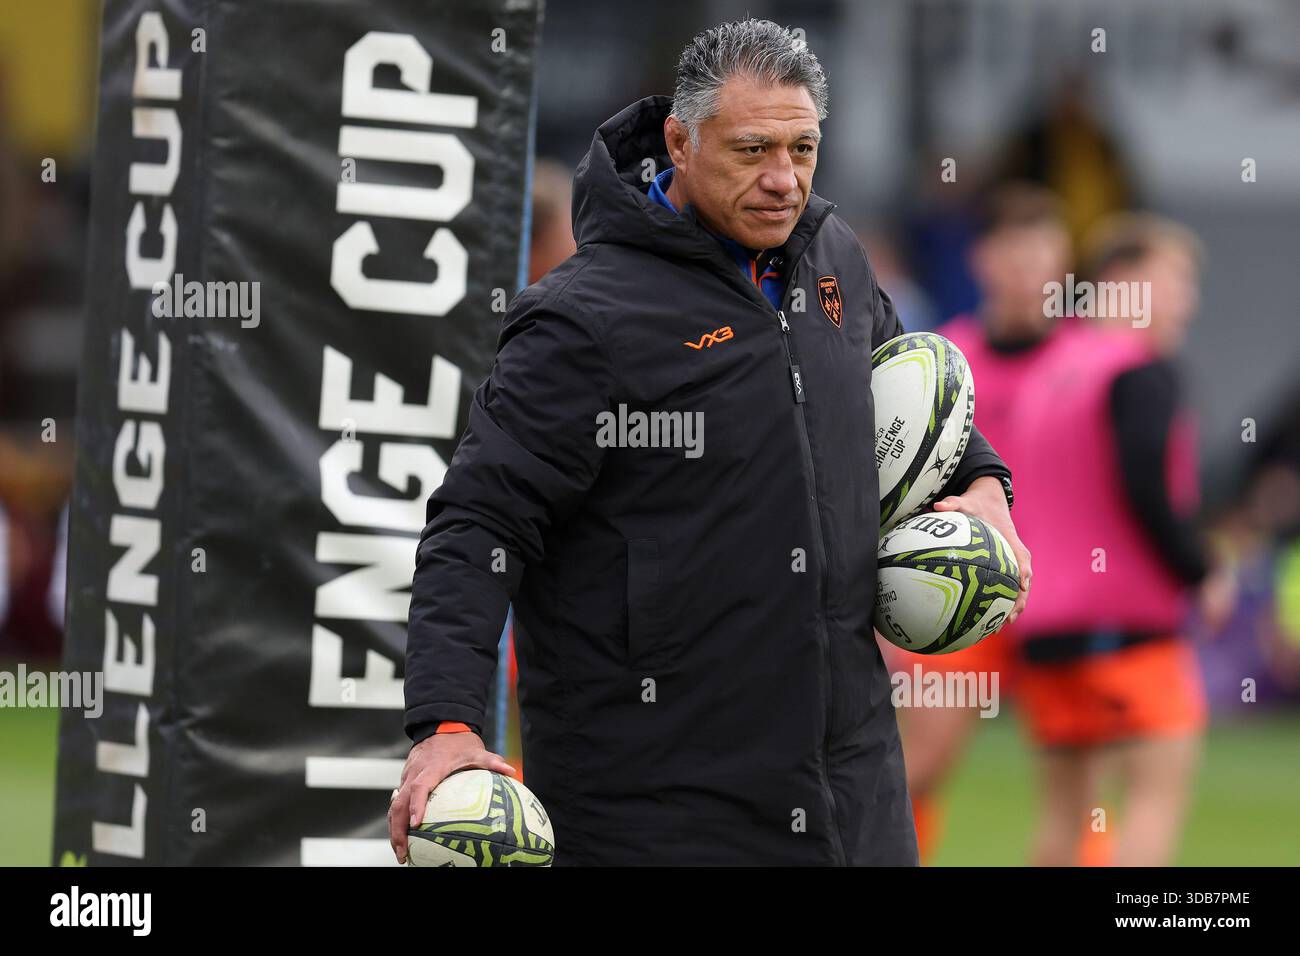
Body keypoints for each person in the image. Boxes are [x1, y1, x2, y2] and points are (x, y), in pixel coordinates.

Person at [390, 18, 1029, 866]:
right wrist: (446, 724)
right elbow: (477, 526)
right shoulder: (580, 320)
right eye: (753, 149)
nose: (783, 180)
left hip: (853, 799)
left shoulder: (835, 255)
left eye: (803, 150)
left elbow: (905, 389)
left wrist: (984, 483)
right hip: (654, 810)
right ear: (680, 143)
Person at [1009, 212, 1233, 866]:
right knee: (1153, 799)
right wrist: (1202, 571)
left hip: (1045, 624)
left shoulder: (1047, 371)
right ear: (1126, 280)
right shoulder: (1139, 370)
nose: (1188, 299)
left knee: (1064, 817)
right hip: (1130, 625)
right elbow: (1146, 489)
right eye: (1178, 280)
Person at [882, 184, 1072, 860]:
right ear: (983, 260)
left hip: (1068, 596)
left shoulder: (1095, 362)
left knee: (1077, 796)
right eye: (1014, 251)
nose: (1029, 269)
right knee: (919, 768)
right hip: (958, 578)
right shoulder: (941, 360)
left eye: (1044, 252)